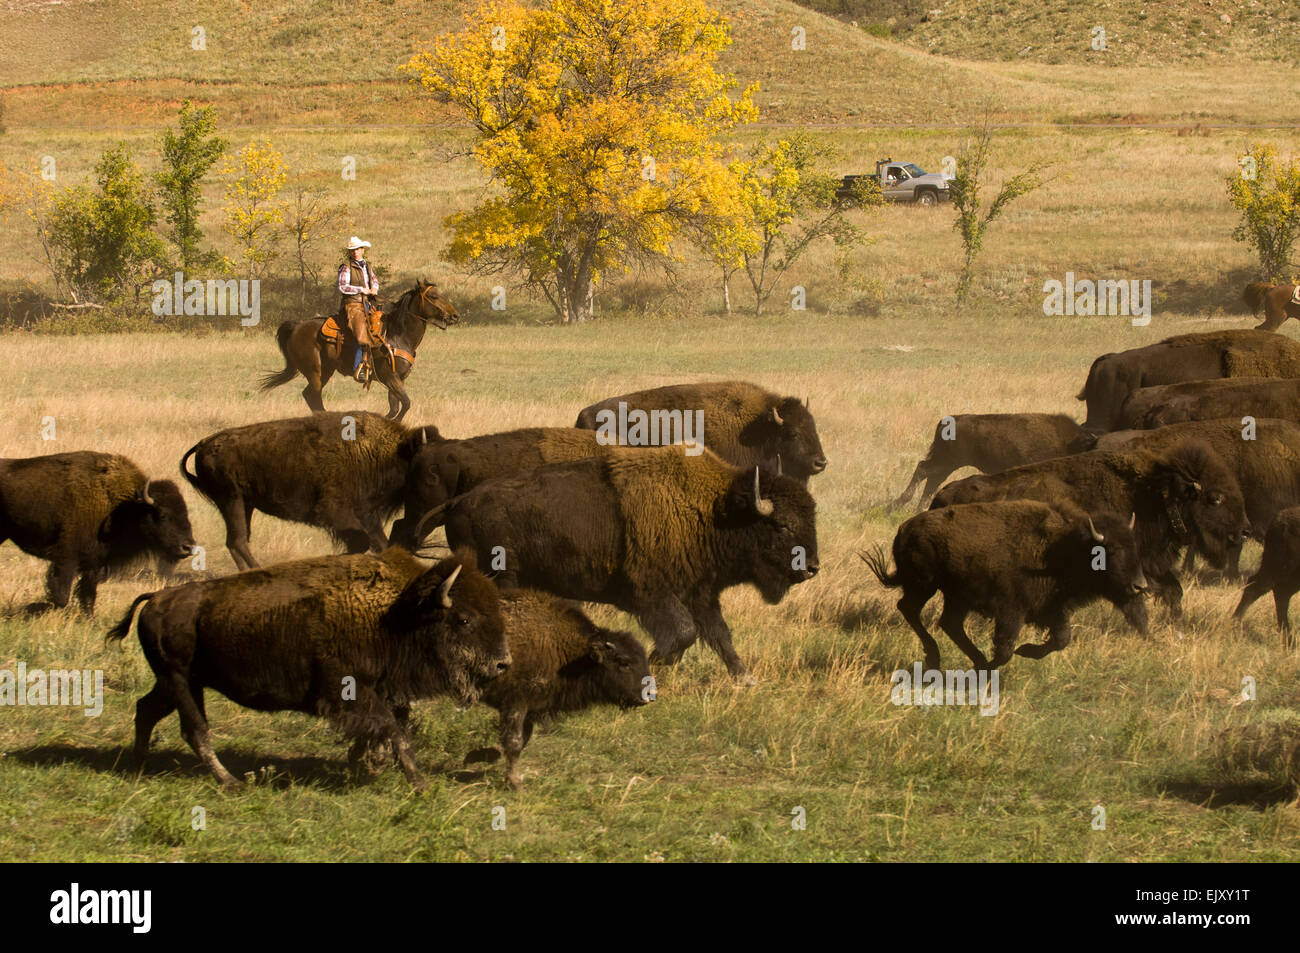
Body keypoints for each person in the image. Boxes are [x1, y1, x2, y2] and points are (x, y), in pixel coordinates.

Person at [338, 236, 380, 382]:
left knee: (380, 327)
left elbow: (374, 280)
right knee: (361, 333)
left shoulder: (367, 265)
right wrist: (362, 289)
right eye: (352, 250)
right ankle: (358, 367)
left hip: (366, 304)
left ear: (363, 250)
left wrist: (374, 288)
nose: (355, 252)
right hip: (352, 304)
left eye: (357, 249)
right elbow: (342, 286)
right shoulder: (346, 266)